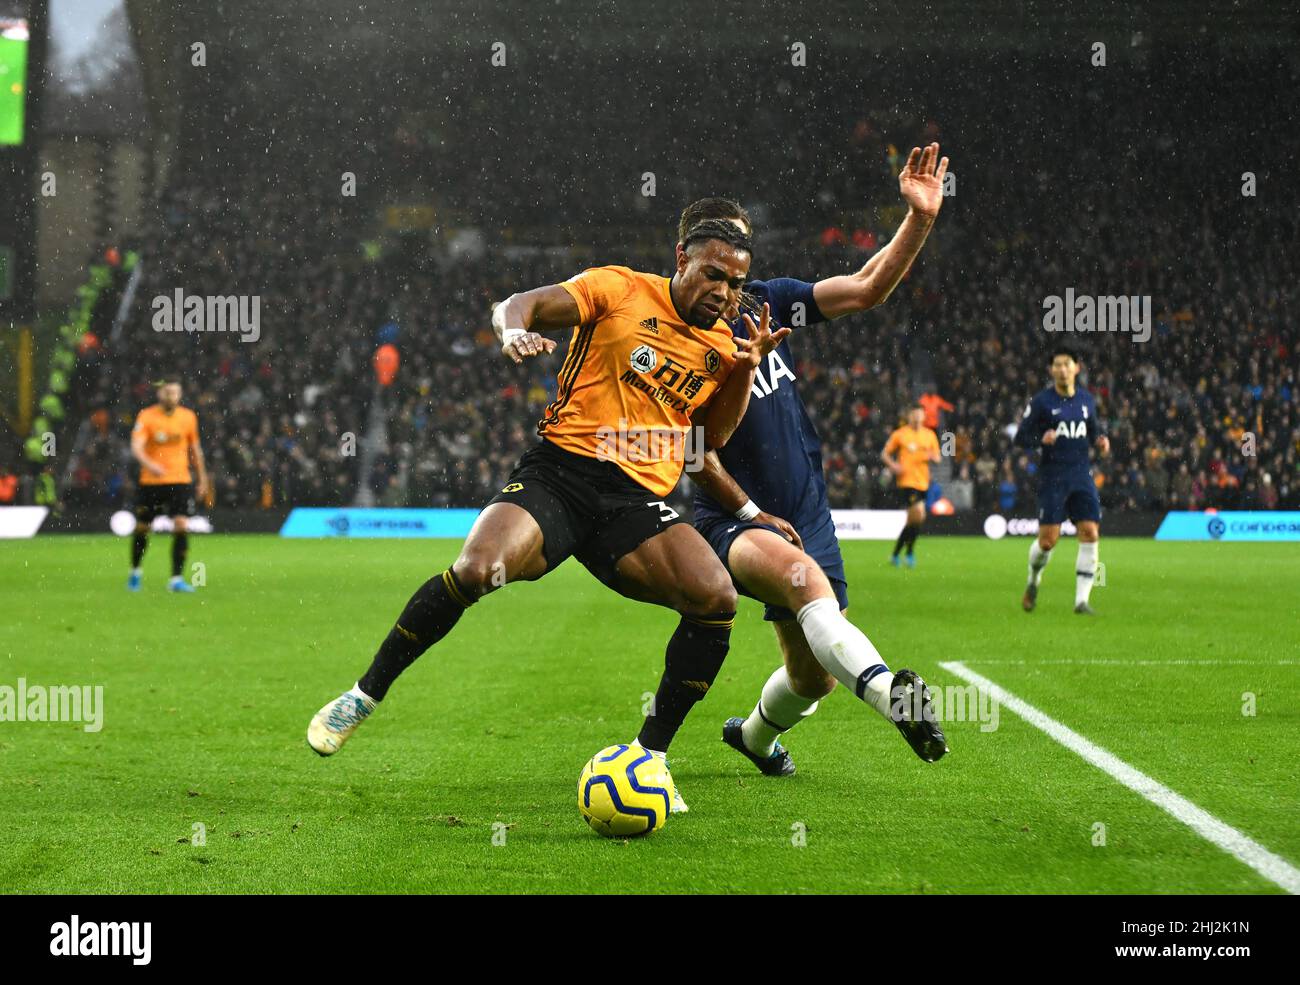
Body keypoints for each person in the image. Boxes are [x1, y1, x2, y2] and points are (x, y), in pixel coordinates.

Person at [307, 220, 788, 812]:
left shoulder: (724, 347)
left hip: (634, 504)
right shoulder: (619, 288)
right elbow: (520, 304)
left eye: (735, 282)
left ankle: (651, 757)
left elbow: (704, 443)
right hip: (560, 476)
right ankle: (365, 693)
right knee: (478, 569)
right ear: (681, 259)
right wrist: (513, 333)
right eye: (713, 273)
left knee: (715, 596)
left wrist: (743, 370)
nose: (723, 290)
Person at [677, 143, 952, 776]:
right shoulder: (674, 341)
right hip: (734, 518)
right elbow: (695, 452)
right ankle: (895, 698)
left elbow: (866, 288)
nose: (735, 280)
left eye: (743, 261)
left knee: (813, 679)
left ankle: (752, 739)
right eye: (721, 264)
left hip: (809, 514)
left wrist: (920, 218)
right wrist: (751, 511)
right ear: (692, 255)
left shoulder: (766, 303)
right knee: (804, 585)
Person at [1015, 347, 1111, 614]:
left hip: (1081, 475)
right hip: (1052, 477)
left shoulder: (1086, 400)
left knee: (1090, 532)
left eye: (1066, 364)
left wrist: (1102, 442)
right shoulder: (1041, 402)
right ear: (1051, 370)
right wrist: (1039, 440)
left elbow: (1094, 432)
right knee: (1048, 541)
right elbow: (1021, 437)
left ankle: (1081, 601)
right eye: (1057, 365)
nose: (1062, 369)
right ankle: (1033, 580)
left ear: (1076, 368)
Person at [127, 378, 208, 593]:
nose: (171, 396)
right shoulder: (146, 416)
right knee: (143, 527)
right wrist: (150, 464)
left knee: (181, 525)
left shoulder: (188, 417)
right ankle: (135, 572)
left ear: (180, 395)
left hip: (180, 480)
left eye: (174, 392)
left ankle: (176, 579)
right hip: (151, 482)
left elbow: (195, 450)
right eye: (167, 392)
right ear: (159, 394)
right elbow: (136, 447)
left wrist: (203, 479)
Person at [883, 405, 942, 567]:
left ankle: (898, 554)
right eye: (914, 414)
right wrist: (893, 466)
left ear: (923, 417)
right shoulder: (900, 434)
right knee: (919, 513)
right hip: (907, 482)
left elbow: (938, 457)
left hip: (923, 482)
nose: (917, 417)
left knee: (914, 521)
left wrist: (931, 456)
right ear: (909, 416)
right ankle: (908, 554)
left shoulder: (929, 435)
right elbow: (885, 453)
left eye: (920, 414)